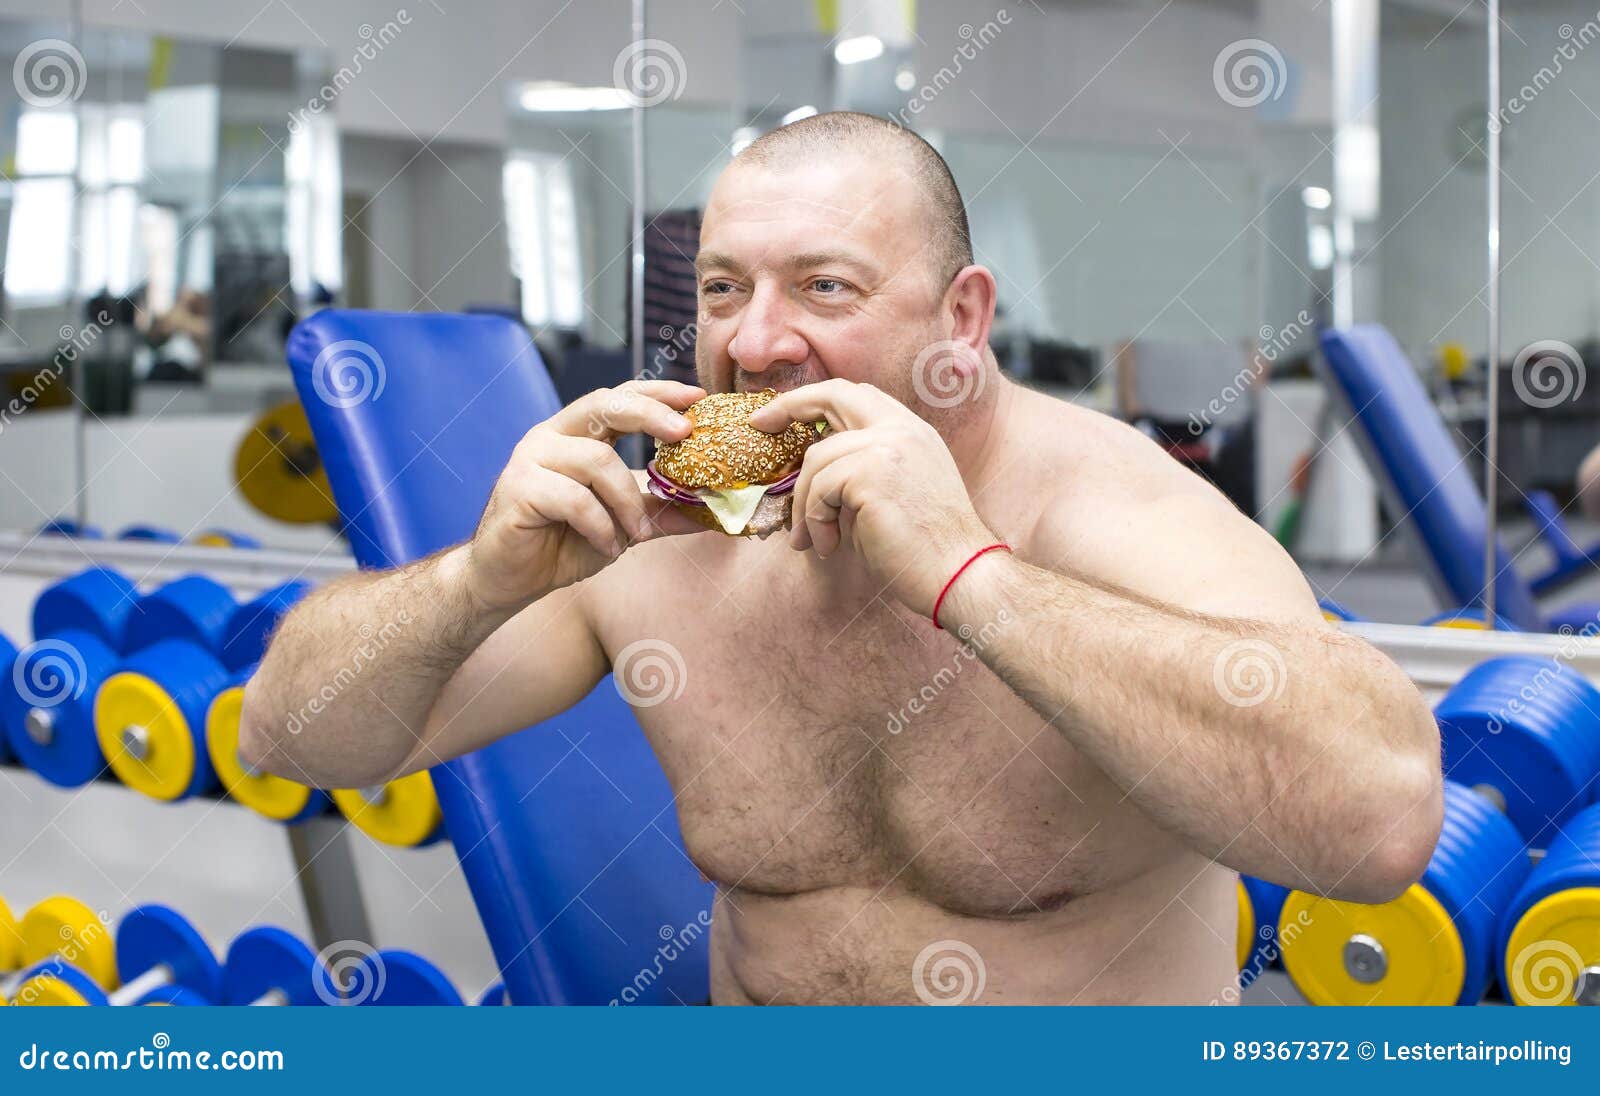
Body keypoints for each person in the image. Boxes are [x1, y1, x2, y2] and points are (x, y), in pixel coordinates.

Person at [242, 112, 1442, 1005]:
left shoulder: (1107, 511)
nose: (758, 341)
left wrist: (968, 575)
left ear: (959, 319)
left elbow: (1376, 826)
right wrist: (476, 582)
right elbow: (290, 735)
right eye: (724, 288)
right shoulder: (658, 537)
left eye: (824, 286)